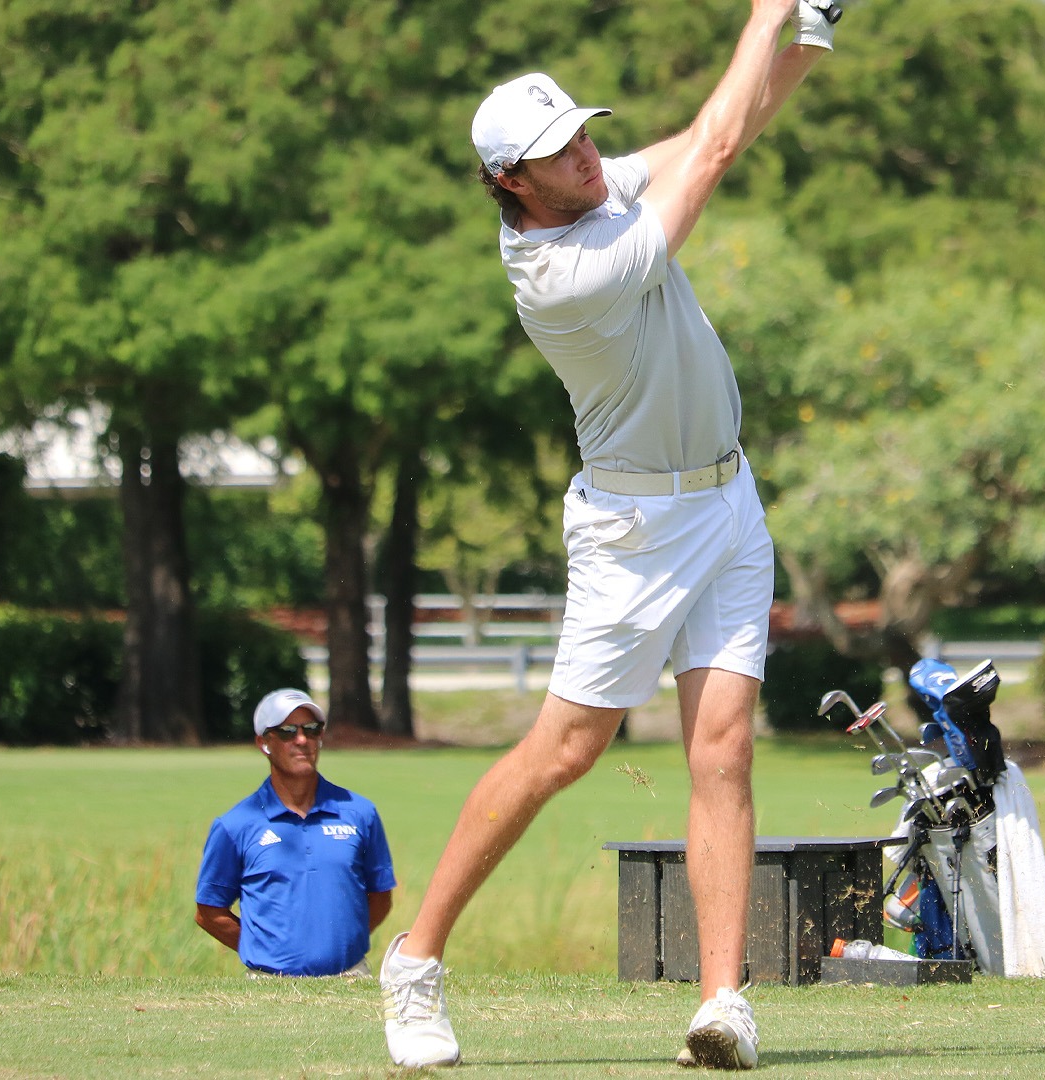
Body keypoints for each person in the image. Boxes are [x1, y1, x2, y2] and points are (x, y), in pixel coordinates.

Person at [378, 0, 840, 1069]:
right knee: (567, 751)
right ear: (511, 184)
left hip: (728, 506)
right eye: (558, 153)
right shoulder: (562, 273)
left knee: (722, 751)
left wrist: (800, 50)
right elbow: (717, 146)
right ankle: (415, 957)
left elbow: (711, 131)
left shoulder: (593, 188)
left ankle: (724, 1004)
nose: (587, 157)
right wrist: (766, 11)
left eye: (584, 134)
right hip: (634, 529)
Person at [194, 688, 396, 977]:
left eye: (312, 730)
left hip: (350, 978)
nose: (302, 740)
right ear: (264, 742)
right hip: (268, 985)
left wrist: (342, 943)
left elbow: (380, 895)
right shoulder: (236, 824)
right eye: (288, 731)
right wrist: (266, 953)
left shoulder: (359, 813)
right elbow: (208, 912)